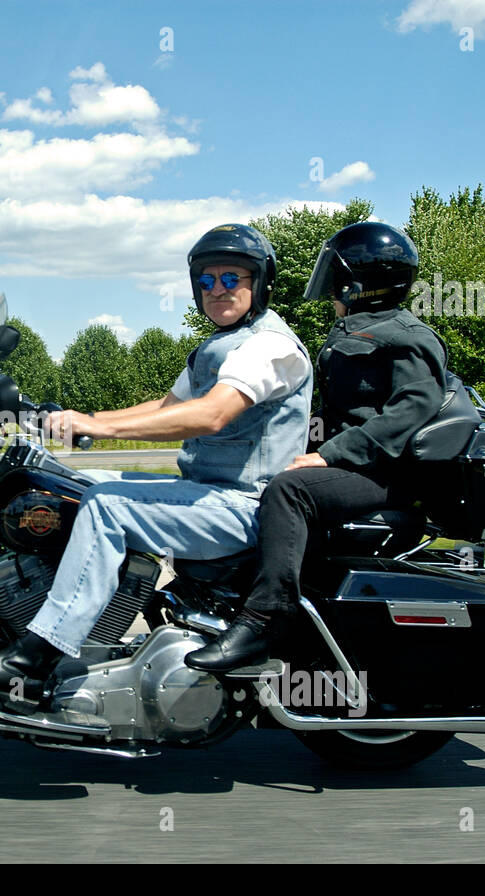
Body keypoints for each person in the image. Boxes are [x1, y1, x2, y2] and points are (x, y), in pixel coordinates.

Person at [0, 223, 313, 706]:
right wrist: (81, 421)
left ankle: (34, 658)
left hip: (241, 507)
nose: (217, 289)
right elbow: (164, 406)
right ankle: (40, 619)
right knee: (67, 484)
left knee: (106, 506)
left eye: (231, 278)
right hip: (205, 493)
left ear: (258, 283)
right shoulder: (219, 347)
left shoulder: (270, 346)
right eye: (207, 280)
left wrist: (101, 428)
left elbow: (212, 414)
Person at [185, 221, 450, 672]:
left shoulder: (408, 336)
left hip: (383, 475)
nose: (329, 288)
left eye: (336, 277)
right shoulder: (354, 332)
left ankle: (265, 618)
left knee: (290, 490)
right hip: (354, 468)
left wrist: (330, 454)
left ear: (361, 282)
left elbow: (410, 413)